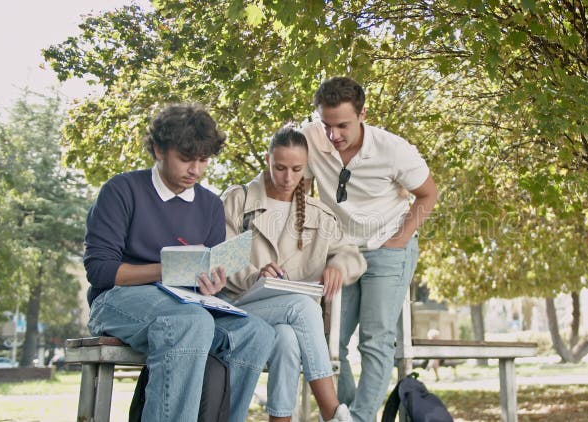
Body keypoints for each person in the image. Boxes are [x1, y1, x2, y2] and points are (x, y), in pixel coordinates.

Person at [83, 104, 276, 421]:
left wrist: (213, 285)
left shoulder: (210, 205)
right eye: (186, 159)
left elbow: (208, 270)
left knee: (257, 332)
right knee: (191, 322)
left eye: (203, 160)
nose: (196, 170)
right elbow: (101, 272)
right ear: (158, 149)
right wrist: (168, 270)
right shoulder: (122, 190)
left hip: (187, 303)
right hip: (117, 300)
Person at [302, 76, 438, 420]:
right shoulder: (310, 139)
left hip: (387, 248)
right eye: (326, 124)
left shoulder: (394, 150)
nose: (334, 135)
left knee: (375, 340)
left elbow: (428, 194)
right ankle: (347, 414)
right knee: (329, 340)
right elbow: (300, 193)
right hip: (341, 254)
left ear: (363, 113)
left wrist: (400, 240)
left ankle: (360, 418)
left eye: (342, 125)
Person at [220, 126, 366, 422]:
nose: (288, 178)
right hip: (237, 310)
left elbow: (352, 256)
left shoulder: (319, 214)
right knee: (301, 305)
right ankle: (332, 410)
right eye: (280, 167)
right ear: (267, 159)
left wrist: (338, 265)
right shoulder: (237, 200)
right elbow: (220, 259)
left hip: (286, 319)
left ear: (307, 166)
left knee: (287, 338)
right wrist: (255, 274)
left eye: (297, 169)